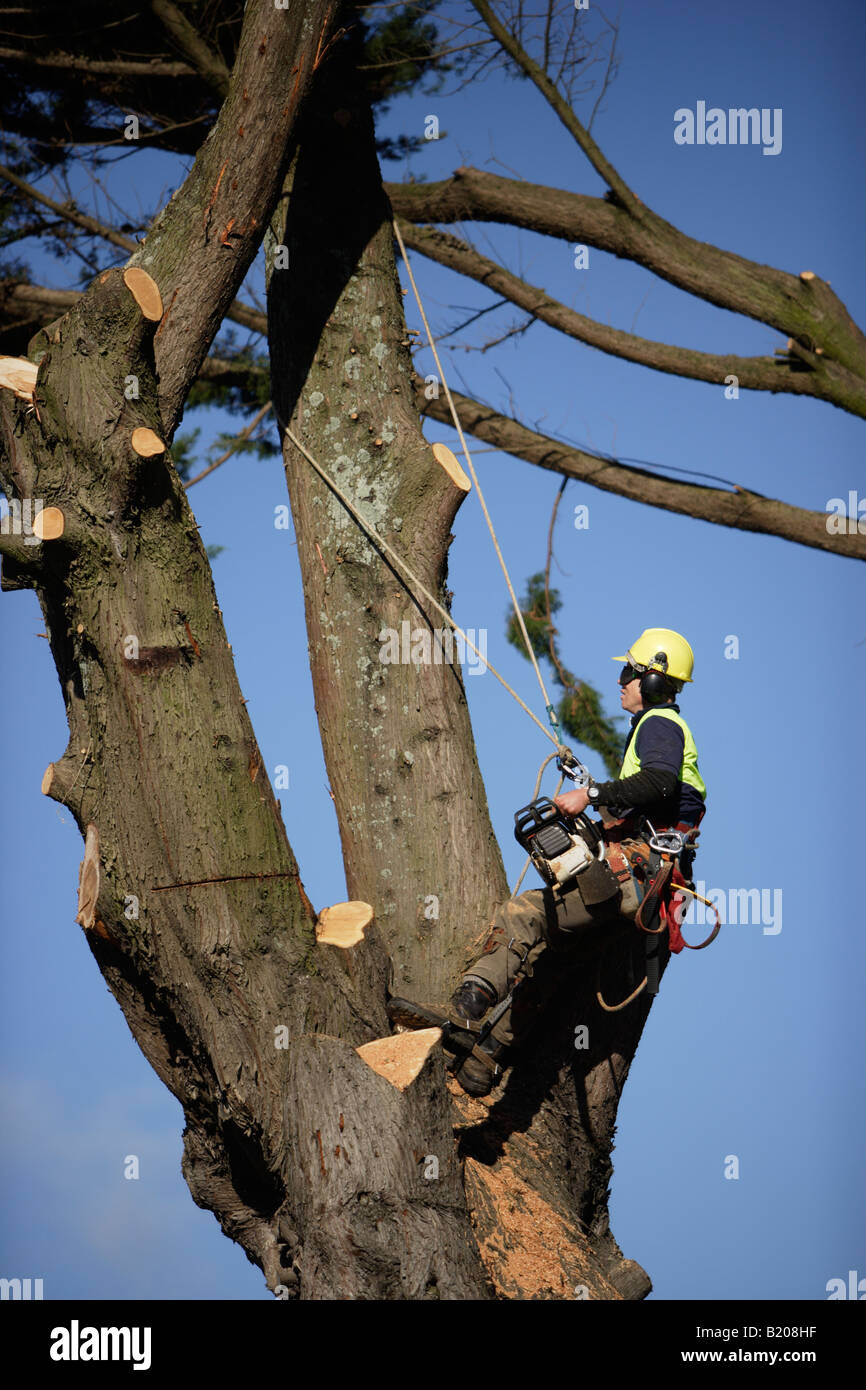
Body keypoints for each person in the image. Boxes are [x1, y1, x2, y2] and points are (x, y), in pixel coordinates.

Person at [387, 628, 707, 1097]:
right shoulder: (659, 730)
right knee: (554, 957)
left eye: (630, 673)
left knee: (526, 913)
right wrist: (598, 794)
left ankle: (467, 1007)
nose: (620, 681)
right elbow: (654, 798)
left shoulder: (660, 724)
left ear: (655, 681)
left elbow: (659, 782)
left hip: (636, 874)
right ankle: (486, 1056)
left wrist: (589, 793)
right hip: (645, 885)